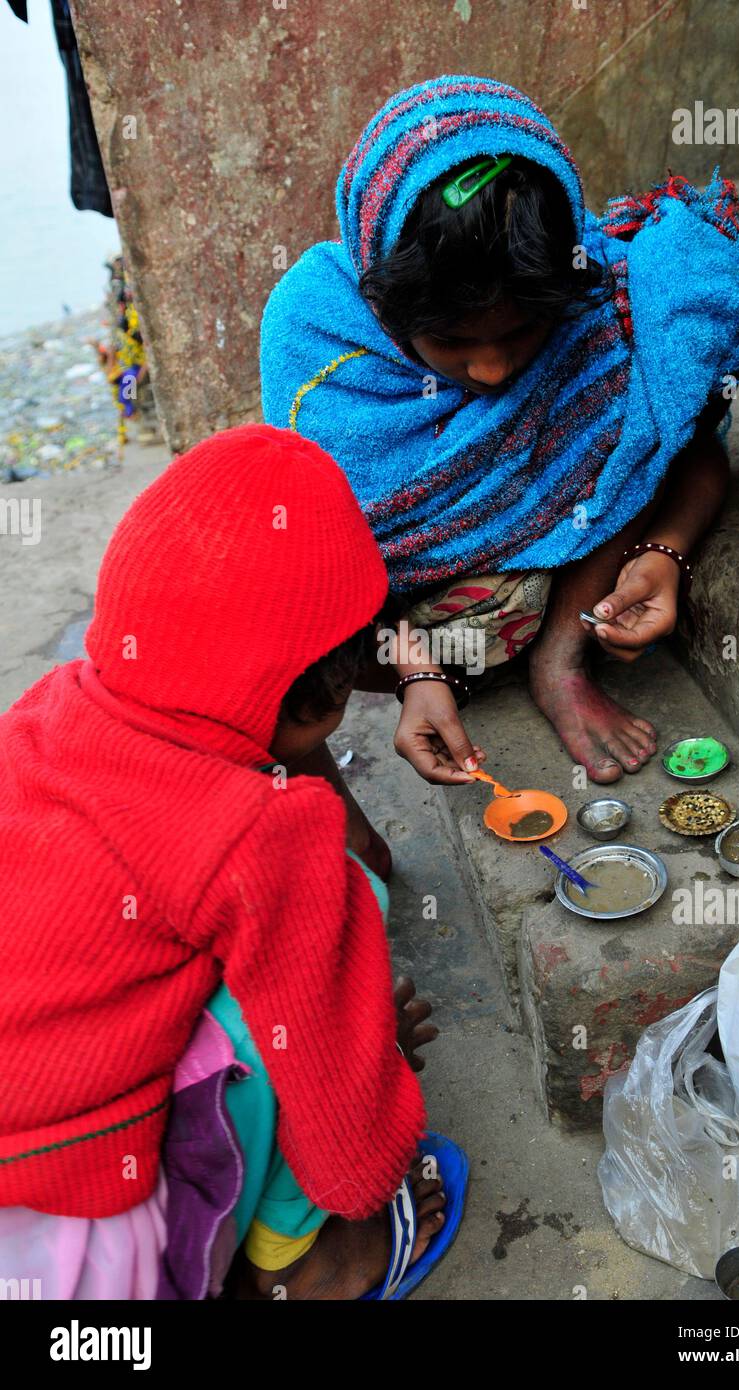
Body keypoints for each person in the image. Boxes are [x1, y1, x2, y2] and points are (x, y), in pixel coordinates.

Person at [260, 74, 739, 864]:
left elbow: (691, 458)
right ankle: (337, 830)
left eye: (519, 335)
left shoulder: (600, 302)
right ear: (384, 300)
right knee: (265, 637)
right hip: (394, 618)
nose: (490, 371)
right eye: (451, 343)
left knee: (639, 442)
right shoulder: (316, 337)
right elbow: (329, 556)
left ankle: (556, 658)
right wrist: (416, 674)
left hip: (540, 589)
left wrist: (662, 555)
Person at [0, 424, 465, 1300]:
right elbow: (345, 1134)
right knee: (338, 921)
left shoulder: (46, 712)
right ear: (326, 695)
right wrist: (375, 1072)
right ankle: (314, 1264)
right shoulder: (263, 836)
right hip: (81, 1244)